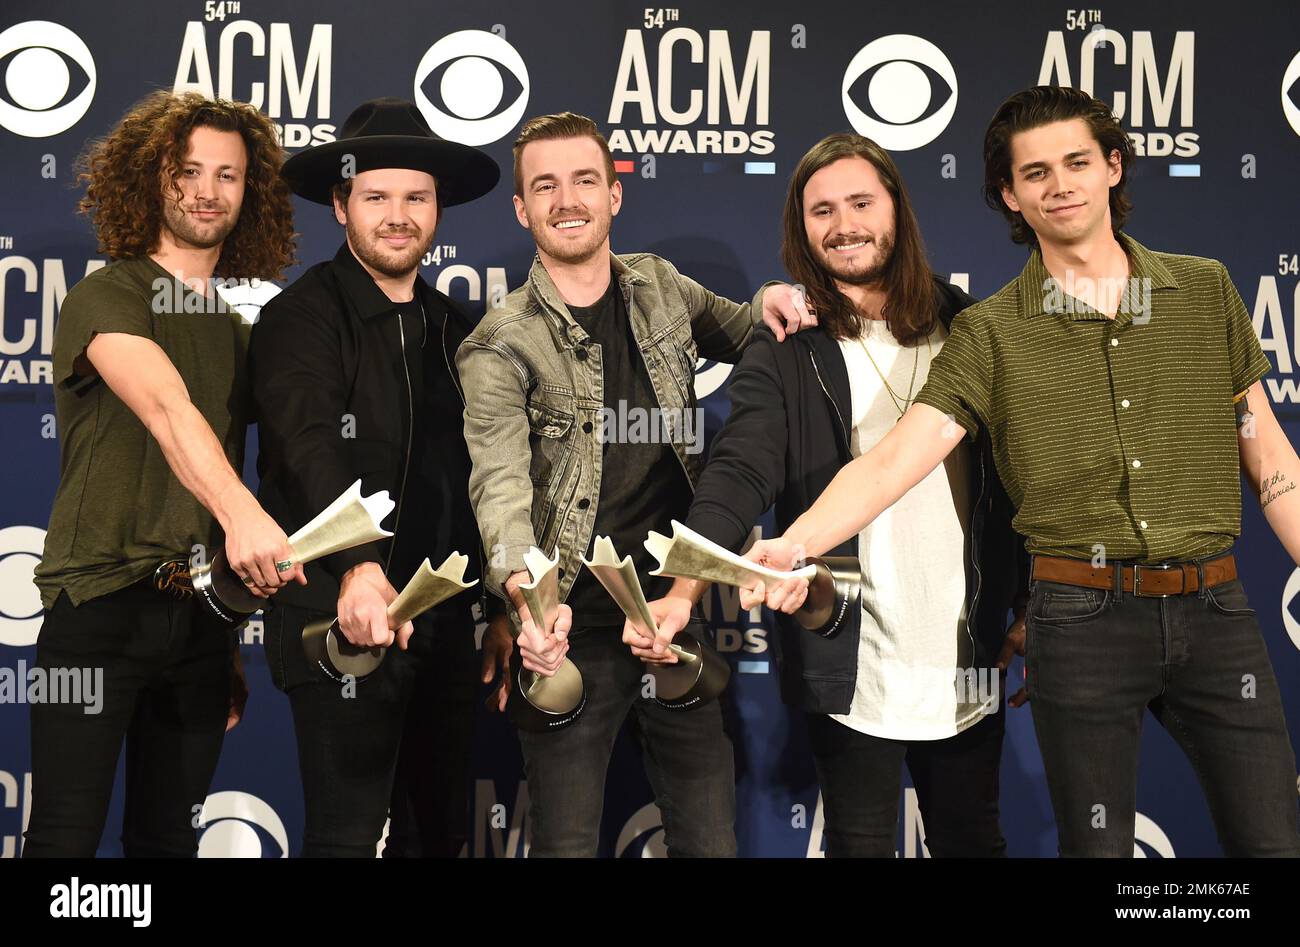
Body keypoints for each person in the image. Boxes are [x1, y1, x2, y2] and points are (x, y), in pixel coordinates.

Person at [743, 86, 1300, 857]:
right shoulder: (989, 331)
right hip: (1080, 619)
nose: (1059, 184)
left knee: (1273, 840)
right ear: (1010, 194)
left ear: (1113, 168)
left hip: (1217, 612)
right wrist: (795, 542)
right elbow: (896, 460)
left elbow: (1269, 455)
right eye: (1034, 173)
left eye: (1077, 162)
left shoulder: (1204, 290)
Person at [648, 132, 1027, 857]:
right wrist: (683, 591)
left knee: (975, 841)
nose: (844, 223)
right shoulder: (787, 341)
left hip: (964, 650)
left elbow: (1021, 478)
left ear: (897, 209)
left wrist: (1030, 602)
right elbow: (740, 470)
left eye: (860, 202)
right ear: (801, 227)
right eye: (822, 209)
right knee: (858, 843)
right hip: (849, 652)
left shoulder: (971, 327)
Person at [457, 112, 813, 856]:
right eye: (545, 186)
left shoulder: (659, 284)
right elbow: (500, 494)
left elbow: (749, 327)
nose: (568, 199)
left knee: (710, 838)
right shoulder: (499, 343)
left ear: (614, 194)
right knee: (565, 843)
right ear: (522, 209)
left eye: (585, 180)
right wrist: (528, 604)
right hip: (568, 627)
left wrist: (773, 302)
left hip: (670, 614)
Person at [27, 91, 298, 857]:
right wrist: (247, 517)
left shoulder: (243, 328)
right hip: (96, 610)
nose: (207, 191)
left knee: (167, 843)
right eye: (188, 172)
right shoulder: (105, 295)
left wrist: (229, 633)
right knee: (62, 839)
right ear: (152, 180)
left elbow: (224, 453)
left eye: (228, 176)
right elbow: (170, 411)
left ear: (252, 195)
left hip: (202, 621)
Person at [251, 98, 511, 857]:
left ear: (437, 209)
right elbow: (308, 448)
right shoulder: (300, 317)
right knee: (348, 832)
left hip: (441, 621)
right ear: (341, 205)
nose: (397, 216)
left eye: (415, 198)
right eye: (376, 197)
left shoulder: (459, 328)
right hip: (335, 610)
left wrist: (498, 603)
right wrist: (358, 568)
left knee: (437, 836)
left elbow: (485, 477)